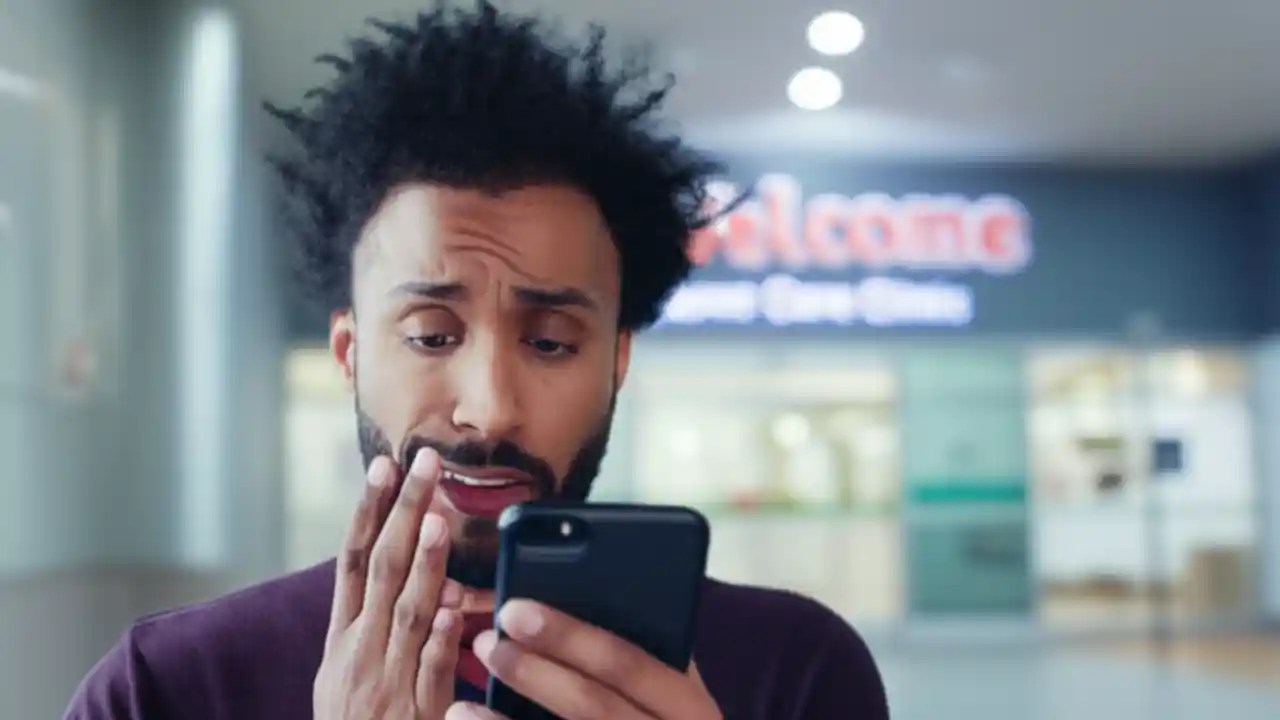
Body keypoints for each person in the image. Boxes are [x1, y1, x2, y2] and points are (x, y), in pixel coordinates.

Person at [64, 3, 889, 719]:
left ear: (616, 363)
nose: (489, 410)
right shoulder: (162, 691)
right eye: (430, 335)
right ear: (349, 354)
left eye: (551, 343)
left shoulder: (798, 673)